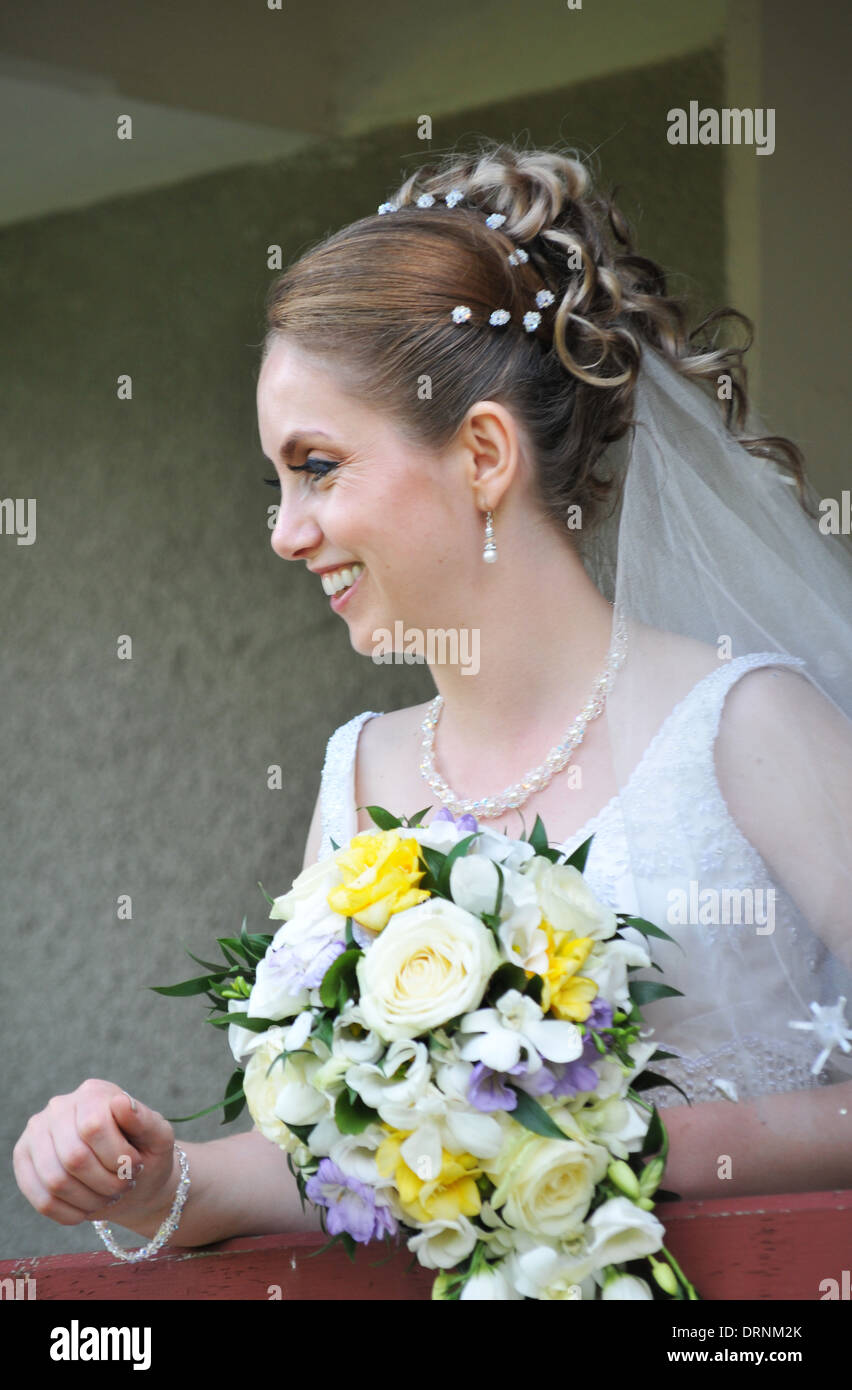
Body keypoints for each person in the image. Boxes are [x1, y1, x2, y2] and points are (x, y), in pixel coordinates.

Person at [13, 140, 852, 1257]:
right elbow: (334, 1163)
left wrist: (587, 1141)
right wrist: (154, 1179)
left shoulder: (746, 727)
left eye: (318, 467)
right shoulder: (358, 775)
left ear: (484, 456)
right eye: (278, 482)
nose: (285, 530)